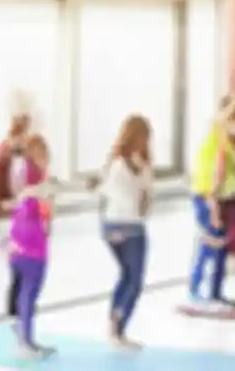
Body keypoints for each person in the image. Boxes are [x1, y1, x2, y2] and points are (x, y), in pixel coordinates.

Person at [188, 91, 235, 310]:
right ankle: (197, 292)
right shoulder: (217, 142)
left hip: (224, 200)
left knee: (222, 249)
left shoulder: (234, 143)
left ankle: (215, 294)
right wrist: (214, 211)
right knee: (211, 245)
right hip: (209, 199)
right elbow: (212, 183)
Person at [98, 114, 154, 349]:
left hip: (111, 225)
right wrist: (144, 176)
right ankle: (118, 329)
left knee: (126, 275)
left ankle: (115, 324)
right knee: (134, 279)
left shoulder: (114, 162)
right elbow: (139, 205)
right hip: (130, 226)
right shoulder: (127, 166)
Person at [0, 88, 35, 329]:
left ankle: (20, 317)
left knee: (26, 270)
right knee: (20, 268)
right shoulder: (4, 153)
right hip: (12, 217)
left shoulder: (28, 152)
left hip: (25, 216)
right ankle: (17, 316)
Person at [6, 134, 56, 359]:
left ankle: (26, 338)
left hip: (26, 243)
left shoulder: (33, 187)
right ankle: (24, 341)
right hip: (31, 246)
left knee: (28, 292)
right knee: (29, 291)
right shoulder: (36, 188)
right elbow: (41, 213)